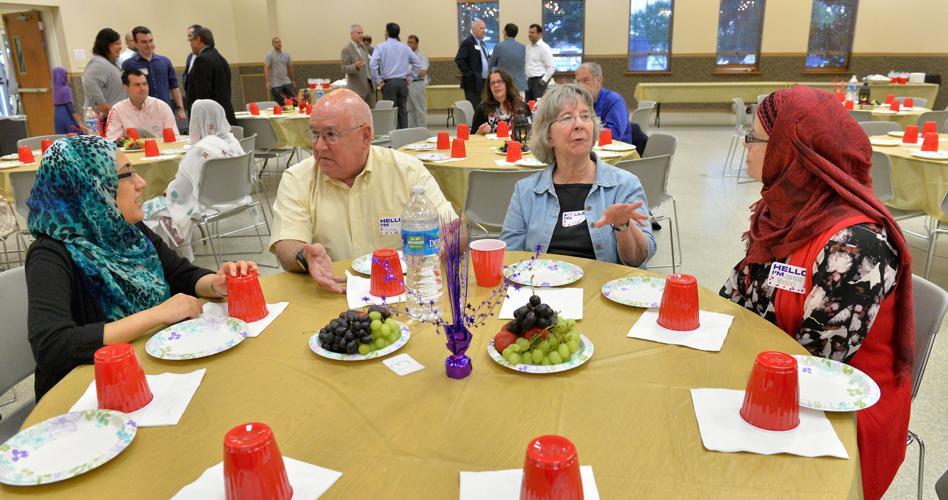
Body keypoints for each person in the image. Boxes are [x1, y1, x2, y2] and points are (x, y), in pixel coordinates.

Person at [719, 86, 914, 500]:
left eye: (754, 138)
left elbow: (820, 365)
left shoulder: (859, 244)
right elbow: (735, 301)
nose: (746, 145)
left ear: (794, 152)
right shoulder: (783, 213)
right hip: (771, 375)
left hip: (838, 410)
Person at [24, 135, 257, 400]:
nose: (141, 183)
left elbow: (179, 273)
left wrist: (216, 283)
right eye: (127, 174)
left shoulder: (126, 229)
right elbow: (53, 347)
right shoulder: (51, 254)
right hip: (91, 393)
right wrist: (157, 314)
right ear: (93, 187)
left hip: (148, 368)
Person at [269, 89, 456, 292]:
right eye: (315, 134)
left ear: (365, 136)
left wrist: (448, 242)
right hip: (333, 292)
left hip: (403, 291)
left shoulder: (406, 171)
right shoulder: (297, 179)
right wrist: (304, 256)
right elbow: (286, 245)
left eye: (331, 135)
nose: (319, 146)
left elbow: (454, 228)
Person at [501, 84, 655, 267]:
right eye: (566, 118)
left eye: (585, 116)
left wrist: (623, 226)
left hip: (603, 289)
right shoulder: (526, 191)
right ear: (548, 135)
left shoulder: (624, 185)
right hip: (542, 289)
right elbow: (509, 257)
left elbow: (638, 259)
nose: (579, 124)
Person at [142, 100, 245, 250]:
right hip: (238, 196)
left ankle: (163, 255)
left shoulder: (199, 150)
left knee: (148, 208)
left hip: (210, 203)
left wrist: (167, 191)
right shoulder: (233, 141)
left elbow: (180, 190)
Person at [575, 62, 648, 153]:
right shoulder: (581, 102)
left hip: (617, 155)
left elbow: (614, 136)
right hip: (592, 151)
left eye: (586, 80)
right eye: (578, 81)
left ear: (598, 81)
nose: (581, 86)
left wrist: (585, 131)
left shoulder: (614, 101)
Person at [122, 26, 187, 121]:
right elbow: (127, 91)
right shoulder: (128, 65)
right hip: (141, 114)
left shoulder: (165, 61)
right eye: (144, 42)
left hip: (165, 111)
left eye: (150, 41)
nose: (148, 45)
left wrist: (180, 109)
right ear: (136, 43)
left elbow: (174, 87)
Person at [369, 23, 420, 130]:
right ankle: (403, 136)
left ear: (387, 33)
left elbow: (372, 64)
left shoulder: (381, 46)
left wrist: (378, 80)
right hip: (402, 83)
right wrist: (410, 78)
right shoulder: (405, 47)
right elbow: (417, 63)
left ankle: (392, 138)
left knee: (390, 112)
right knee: (403, 112)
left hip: (389, 83)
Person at [105, 69, 179, 141]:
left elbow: (175, 137)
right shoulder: (117, 110)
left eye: (144, 84)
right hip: (130, 151)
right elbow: (112, 140)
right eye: (137, 85)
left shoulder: (162, 106)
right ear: (126, 88)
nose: (143, 88)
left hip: (161, 150)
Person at [185, 27, 237, 125]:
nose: (191, 45)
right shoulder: (220, 58)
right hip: (225, 115)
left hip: (211, 121)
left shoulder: (202, 60)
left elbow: (202, 94)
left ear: (198, 40)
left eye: (191, 41)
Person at [82, 28, 126, 126]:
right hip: (104, 119)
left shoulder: (111, 63)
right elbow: (89, 83)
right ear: (107, 45)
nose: (120, 47)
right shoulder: (98, 63)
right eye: (117, 44)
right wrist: (106, 110)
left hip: (112, 118)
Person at [472, 69, 530, 135]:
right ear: (489, 88)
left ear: (507, 84)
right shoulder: (483, 108)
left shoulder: (521, 105)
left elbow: (532, 131)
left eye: (499, 81)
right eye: (492, 83)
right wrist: (479, 132)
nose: (496, 85)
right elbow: (472, 137)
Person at [455, 19, 490, 109]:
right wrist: (469, 74)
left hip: (483, 82)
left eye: (484, 28)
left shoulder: (483, 44)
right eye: (481, 28)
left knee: (483, 107)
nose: (484, 31)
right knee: (475, 107)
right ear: (474, 30)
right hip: (473, 82)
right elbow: (459, 59)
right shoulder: (468, 42)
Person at [340, 24, 375, 108]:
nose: (361, 35)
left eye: (362, 33)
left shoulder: (364, 47)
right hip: (357, 88)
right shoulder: (347, 49)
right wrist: (355, 66)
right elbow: (344, 68)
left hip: (369, 86)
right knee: (359, 115)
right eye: (359, 33)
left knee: (372, 114)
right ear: (352, 34)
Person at [489, 23, 527, 95]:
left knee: (504, 105)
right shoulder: (522, 47)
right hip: (520, 85)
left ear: (505, 32)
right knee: (520, 105)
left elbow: (491, 65)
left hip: (504, 85)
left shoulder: (499, 46)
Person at [525, 24, 555, 102]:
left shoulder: (545, 48)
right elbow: (526, 64)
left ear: (539, 34)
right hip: (529, 81)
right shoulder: (528, 47)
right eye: (529, 32)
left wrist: (543, 80)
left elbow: (551, 67)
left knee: (538, 106)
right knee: (528, 105)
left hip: (539, 81)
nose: (529, 35)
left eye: (532, 32)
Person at [52, 67, 86, 135]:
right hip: (66, 113)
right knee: (75, 133)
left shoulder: (55, 90)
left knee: (62, 134)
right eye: (66, 74)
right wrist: (79, 122)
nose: (68, 77)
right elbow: (70, 107)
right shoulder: (66, 89)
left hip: (57, 114)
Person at [264, 37, 297, 104]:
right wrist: (267, 81)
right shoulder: (269, 55)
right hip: (275, 83)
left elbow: (291, 68)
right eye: (276, 42)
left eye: (279, 42)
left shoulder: (286, 54)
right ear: (273, 44)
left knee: (294, 101)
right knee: (281, 103)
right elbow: (266, 69)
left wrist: (293, 80)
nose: (278, 43)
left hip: (286, 81)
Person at [406, 34, 429, 128]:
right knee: (409, 109)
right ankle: (412, 130)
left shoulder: (421, 56)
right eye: (408, 42)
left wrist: (408, 72)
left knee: (419, 109)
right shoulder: (405, 55)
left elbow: (422, 72)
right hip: (407, 84)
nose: (409, 44)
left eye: (411, 43)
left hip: (418, 84)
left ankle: (422, 130)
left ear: (417, 44)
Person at [182, 24, 202, 93]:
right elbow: (186, 73)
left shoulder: (206, 57)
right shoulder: (190, 56)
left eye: (190, 36)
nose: (188, 39)